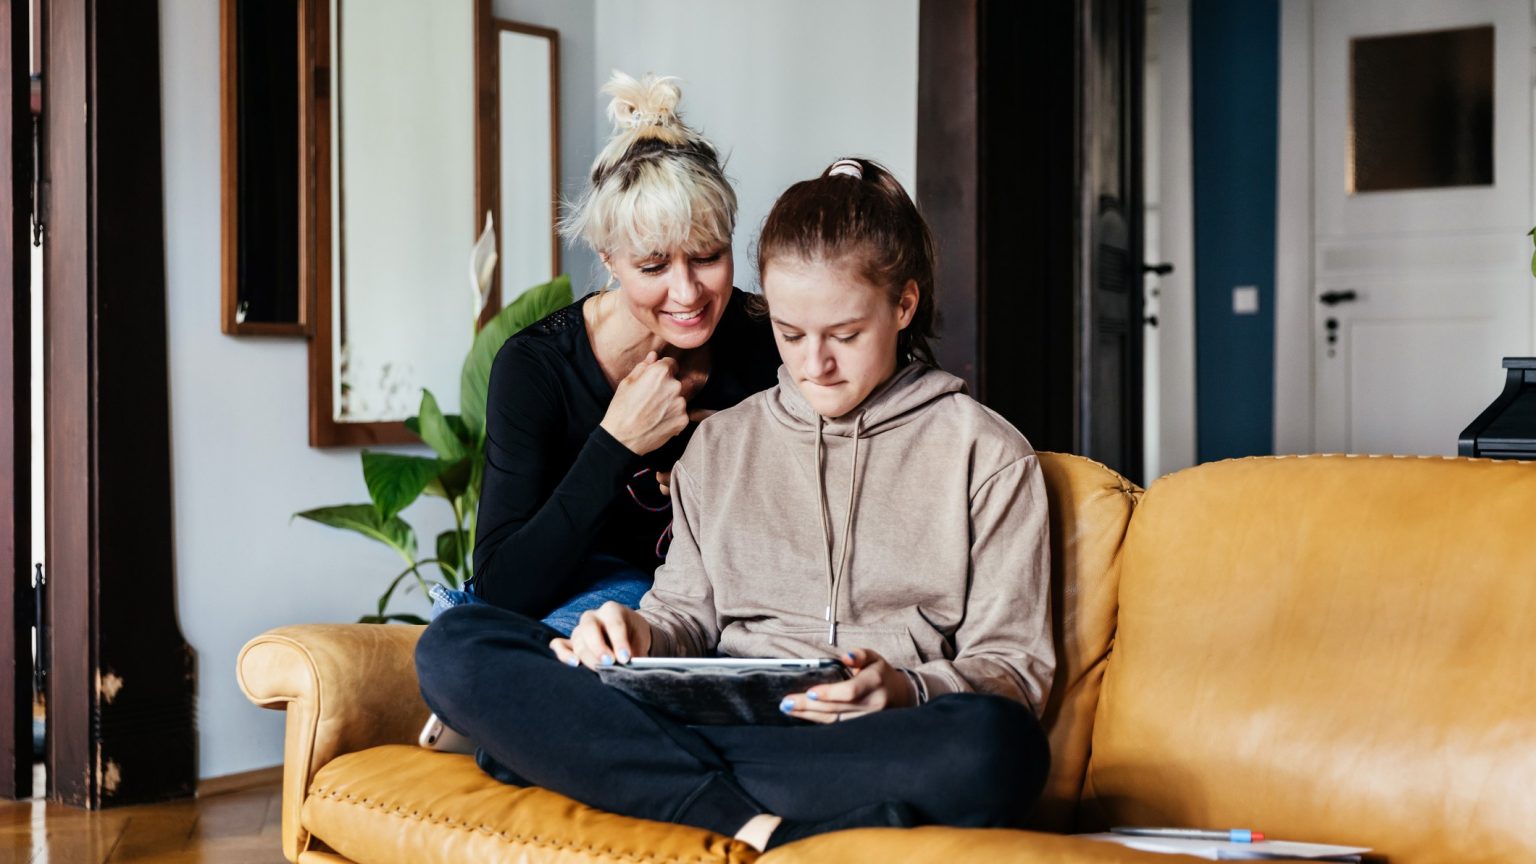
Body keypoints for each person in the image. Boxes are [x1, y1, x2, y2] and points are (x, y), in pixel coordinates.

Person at [417, 157, 1054, 850]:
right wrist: (635, 634)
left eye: (844, 336)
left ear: (903, 305)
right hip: (718, 716)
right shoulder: (720, 441)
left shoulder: (985, 453)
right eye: (789, 334)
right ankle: (756, 824)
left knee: (998, 749)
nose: (815, 365)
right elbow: (683, 615)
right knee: (456, 644)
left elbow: (1017, 670)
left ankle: (600, 767)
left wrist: (902, 689)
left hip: (867, 734)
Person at [450, 71, 780, 634]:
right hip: (582, 609)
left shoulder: (770, 336)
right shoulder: (536, 368)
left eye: (707, 257)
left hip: (717, 613)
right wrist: (617, 442)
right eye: (653, 267)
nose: (688, 293)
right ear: (608, 258)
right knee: (461, 635)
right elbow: (502, 587)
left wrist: (732, 467)